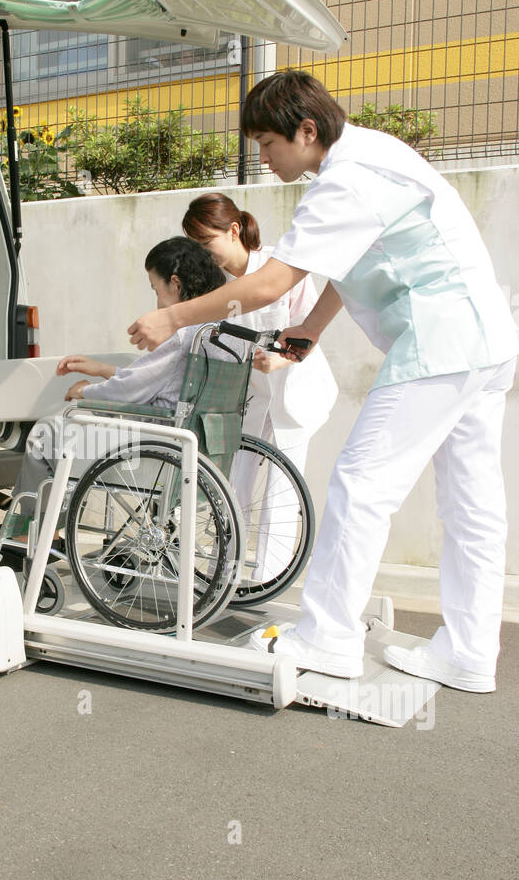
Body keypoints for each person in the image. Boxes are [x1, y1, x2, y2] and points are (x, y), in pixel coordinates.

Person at [128, 71, 517, 692]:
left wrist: (171, 314)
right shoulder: (373, 157)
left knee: (363, 483)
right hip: (483, 341)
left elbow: (268, 283)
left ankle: (328, 637)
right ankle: (470, 653)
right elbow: (344, 265)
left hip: (440, 342)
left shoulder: (345, 181)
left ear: (307, 131)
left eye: (267, 143)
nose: (261, 157)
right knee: (472, 505)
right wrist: (308, 330)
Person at [0, 236, 228, 543]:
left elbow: (129, 392)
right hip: (200, 448)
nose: (156, 300)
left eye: (155, 289)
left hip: (152, 451)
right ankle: (49, 530)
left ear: (175, 284)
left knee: (44, 433)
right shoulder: (217, 332)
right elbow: (150, 382)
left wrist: (85, 391)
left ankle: (29, 533)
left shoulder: (183, 336)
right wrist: (103, 370)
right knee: (66, 437)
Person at [181, 192, 337, 474]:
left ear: (233, 230)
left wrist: (280, 360)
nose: (203, 254)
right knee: (234, 482)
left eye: (207, 243)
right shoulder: (213, 285)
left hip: (295, 385)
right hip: (248, 395)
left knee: (283, 484)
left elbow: (307, 328)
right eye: (196, 247)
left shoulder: (277, 267)